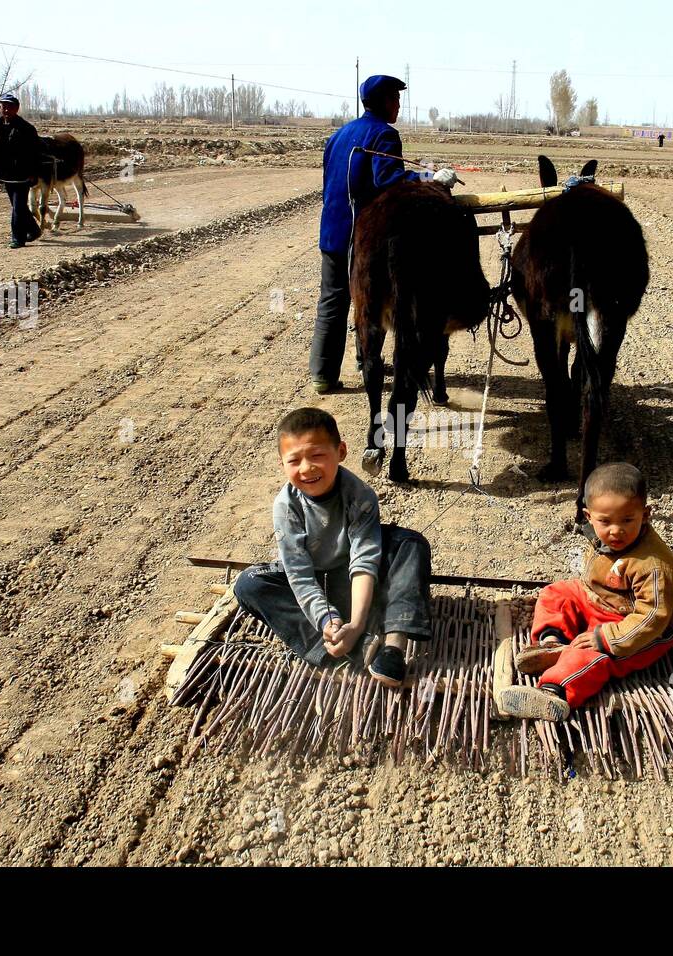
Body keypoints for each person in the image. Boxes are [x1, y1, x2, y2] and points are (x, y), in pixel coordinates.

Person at [232, 407, 433, 689]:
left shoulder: (359, 495)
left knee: (410, 543)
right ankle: (348, 647)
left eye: (317, 456)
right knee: (248, 584)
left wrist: (358, 622)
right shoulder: (285, 506)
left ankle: (393, 647)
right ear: (282, 465)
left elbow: (365, 560)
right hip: (317, 585)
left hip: (358, 582)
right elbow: (299, 575)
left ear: (340, 452)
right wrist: (331, 622)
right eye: (294, 460)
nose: (307, 468)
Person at [498, 463, 673, 720]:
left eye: (628, 520)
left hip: (640, 629)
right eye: (605, 521)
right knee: (557, 593)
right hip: (601, 602)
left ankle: (554, 692)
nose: (616, 530)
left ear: (646, 514)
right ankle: (553, 644)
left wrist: (608, 638)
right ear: (589, 516)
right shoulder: (602, 539)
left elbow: (653, 617)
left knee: (594, 655)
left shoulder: (652, 566)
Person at [310, 74, 459, 394]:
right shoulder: (384, 135)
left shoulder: (337, 136)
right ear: (384, 102)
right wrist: (429, 178)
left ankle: (323, 374)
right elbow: (388, 179)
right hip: (366, 240)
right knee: (372, 301)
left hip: (332, 234)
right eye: (396, 99)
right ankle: (367, 359)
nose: (400, 105)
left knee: (333, 300)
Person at [0, 93, 43, 249]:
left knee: (18, 206)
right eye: (3, 106)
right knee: (17, 206)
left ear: (17, 109)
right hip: (6, 173)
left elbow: (35, 153)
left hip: (23, 174)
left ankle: (17, 238)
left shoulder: (27, 129)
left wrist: (33, 172)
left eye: (9, 107)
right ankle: (34, 230)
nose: (6, 110)